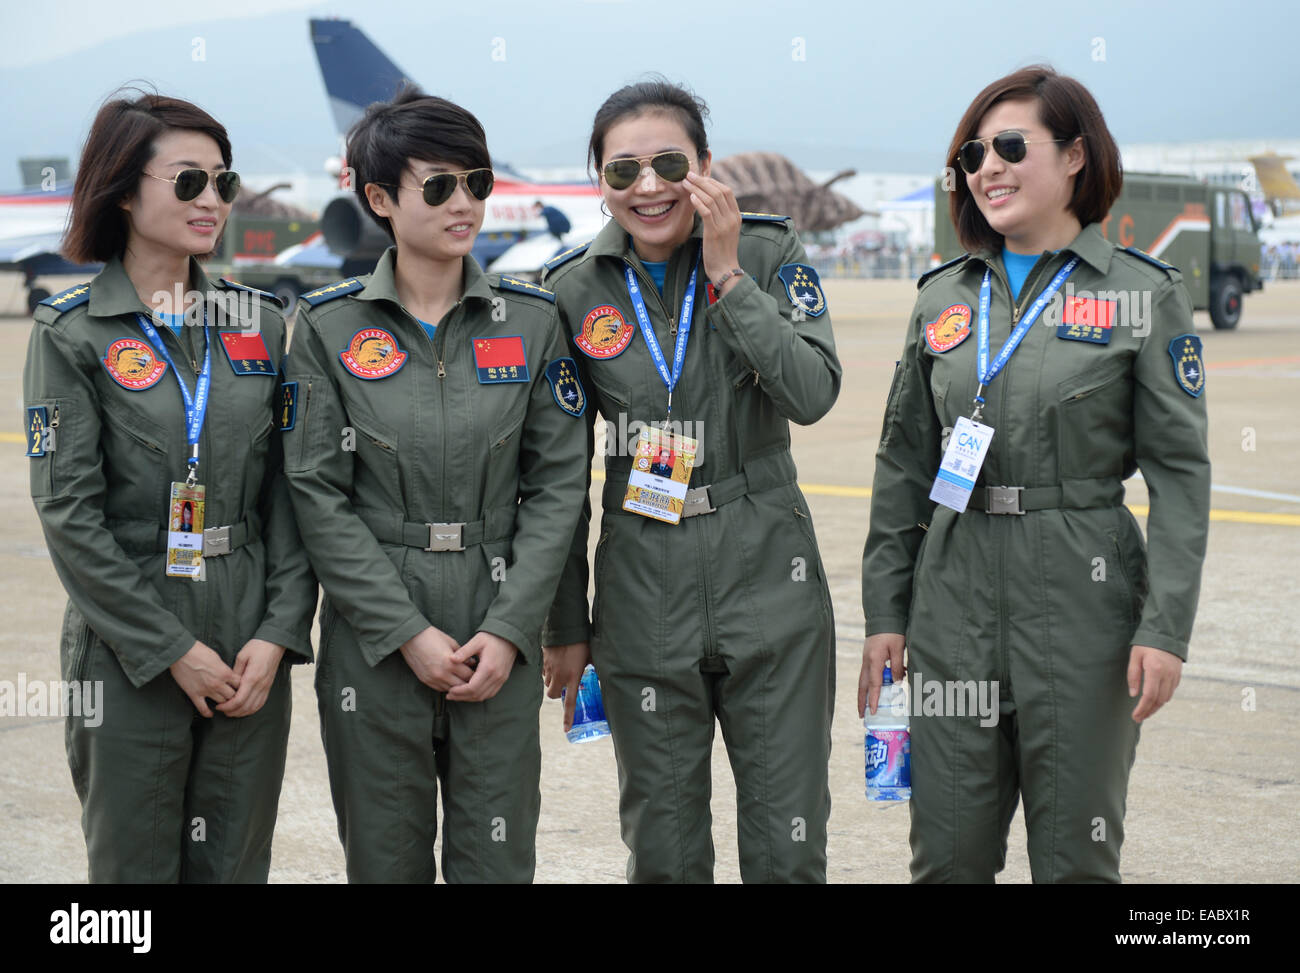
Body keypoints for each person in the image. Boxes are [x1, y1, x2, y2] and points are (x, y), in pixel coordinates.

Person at [858, 65, 1211, 883]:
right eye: (972, 153)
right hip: (952, 611)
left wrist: (1165, 627)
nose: (987, 166)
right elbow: (902, 466)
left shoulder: (1139, 296)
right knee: (946, 858)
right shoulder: (941, 299)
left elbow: (1181, 477)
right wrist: (887, 613)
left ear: (1078, 155)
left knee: (1076, 862)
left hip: (1085, 612)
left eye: (1011, 145)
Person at [281, 86, 588, 883]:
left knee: (497, 860)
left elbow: (558, 487)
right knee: (385, 862)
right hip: (378, 637)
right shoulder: (325, 327)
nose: (467, 204)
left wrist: (516, 626)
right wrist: (404, 631)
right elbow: (317, 494)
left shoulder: (532, 320)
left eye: (478, 181)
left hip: (497, 624)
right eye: (440, 184)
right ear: (379, 198)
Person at [541, 80, 841, 883]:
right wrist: (567, 622)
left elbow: (812, 395)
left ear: (705, 167)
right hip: (644, 592)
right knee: (664, 851)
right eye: (622, 170)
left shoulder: (771, 255)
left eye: (668, 163)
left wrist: (728, 275)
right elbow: (555, 476)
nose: (646, 187)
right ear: (599, 181)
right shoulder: (566, 291)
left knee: (787, 847)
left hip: (769, 573)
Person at [23, 91, 317, 883]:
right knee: (134, 876)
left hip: (247, 628)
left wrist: (279, 632)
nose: (213, 201)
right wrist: (169, 650)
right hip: (132, 639)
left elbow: (292, 495)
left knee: (233, 867)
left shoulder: (258, 323)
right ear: (123, 188)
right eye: (189, 182)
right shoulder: (73, 333)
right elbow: (69, 516)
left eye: (224, 182)